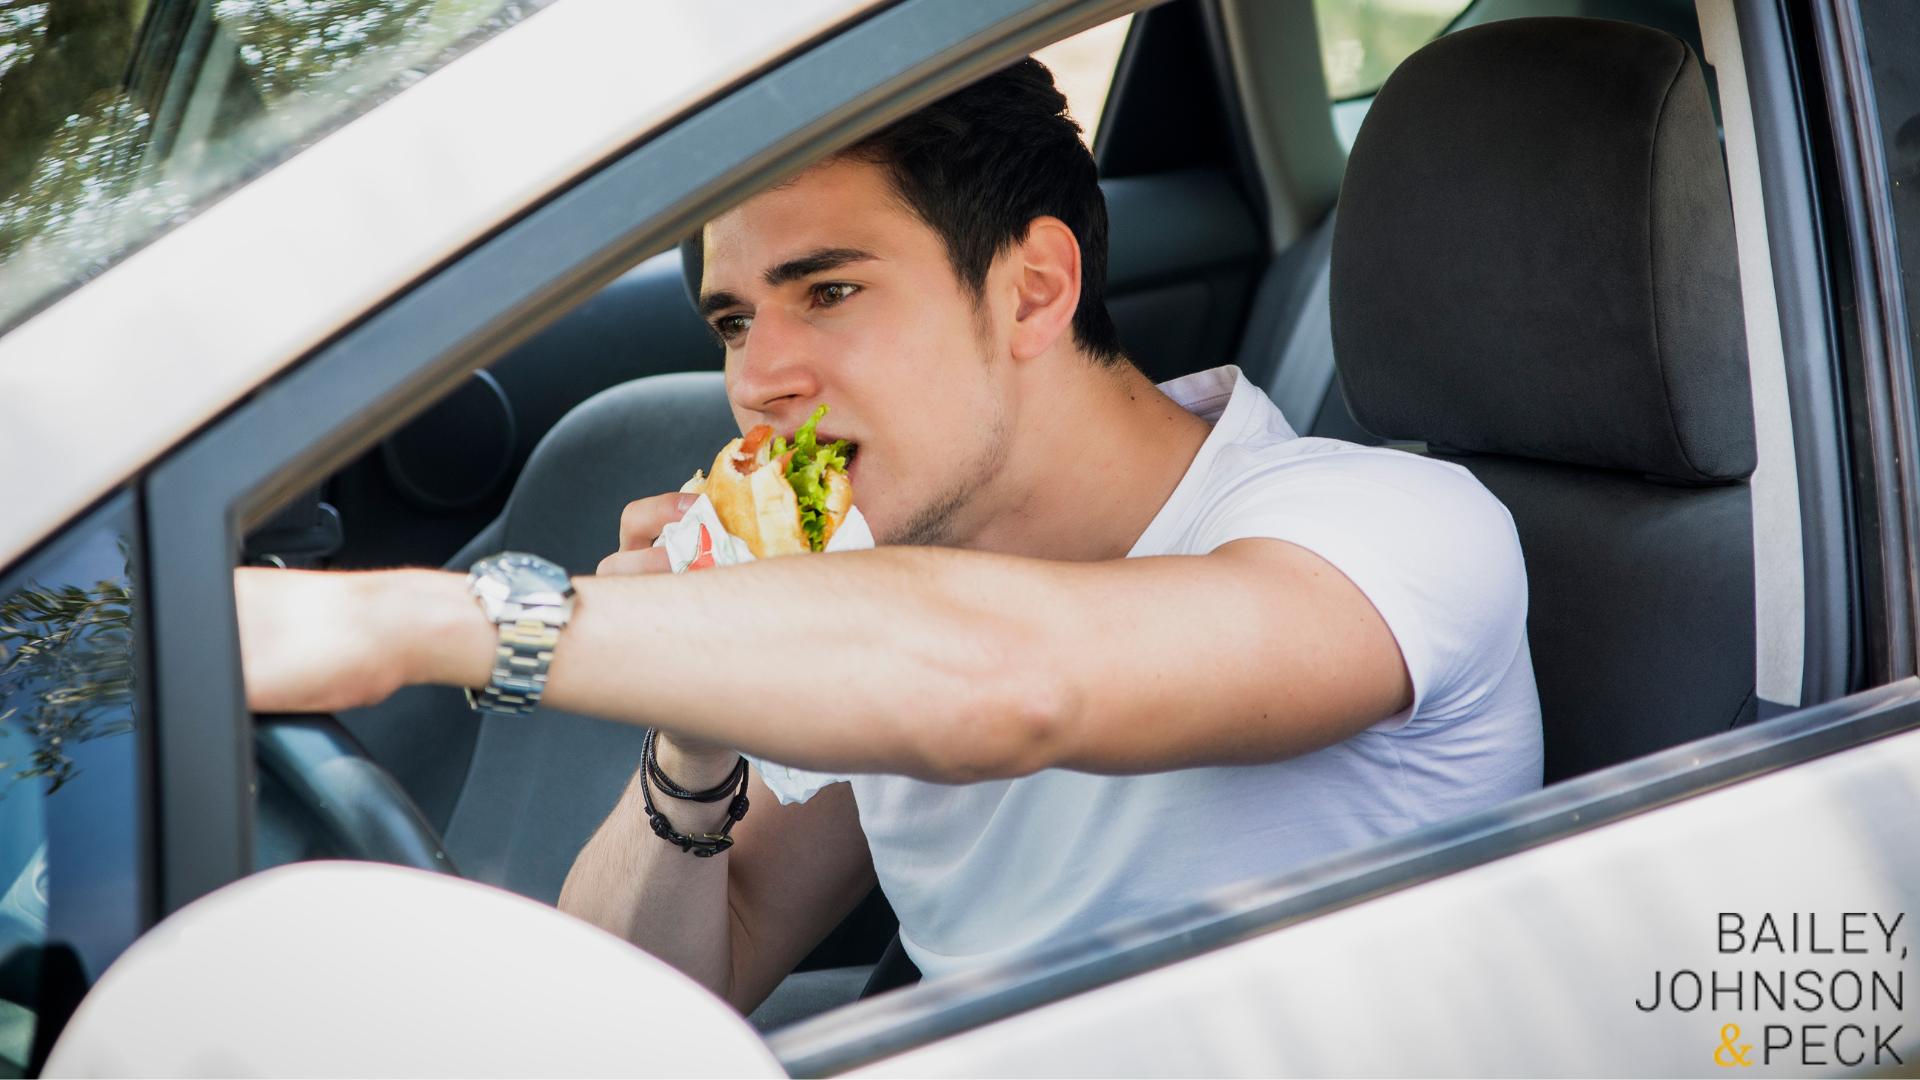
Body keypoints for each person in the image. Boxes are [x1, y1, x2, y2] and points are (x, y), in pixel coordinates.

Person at [234, 59, 1542, 1012]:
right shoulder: (876, 591)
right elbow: (639, 1008)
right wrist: (699, 728)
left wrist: (405, 622)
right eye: (737, 320)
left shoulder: (1388, 529)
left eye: (832, 291)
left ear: (1032, 288)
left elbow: (1014, 683)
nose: (762, 380)